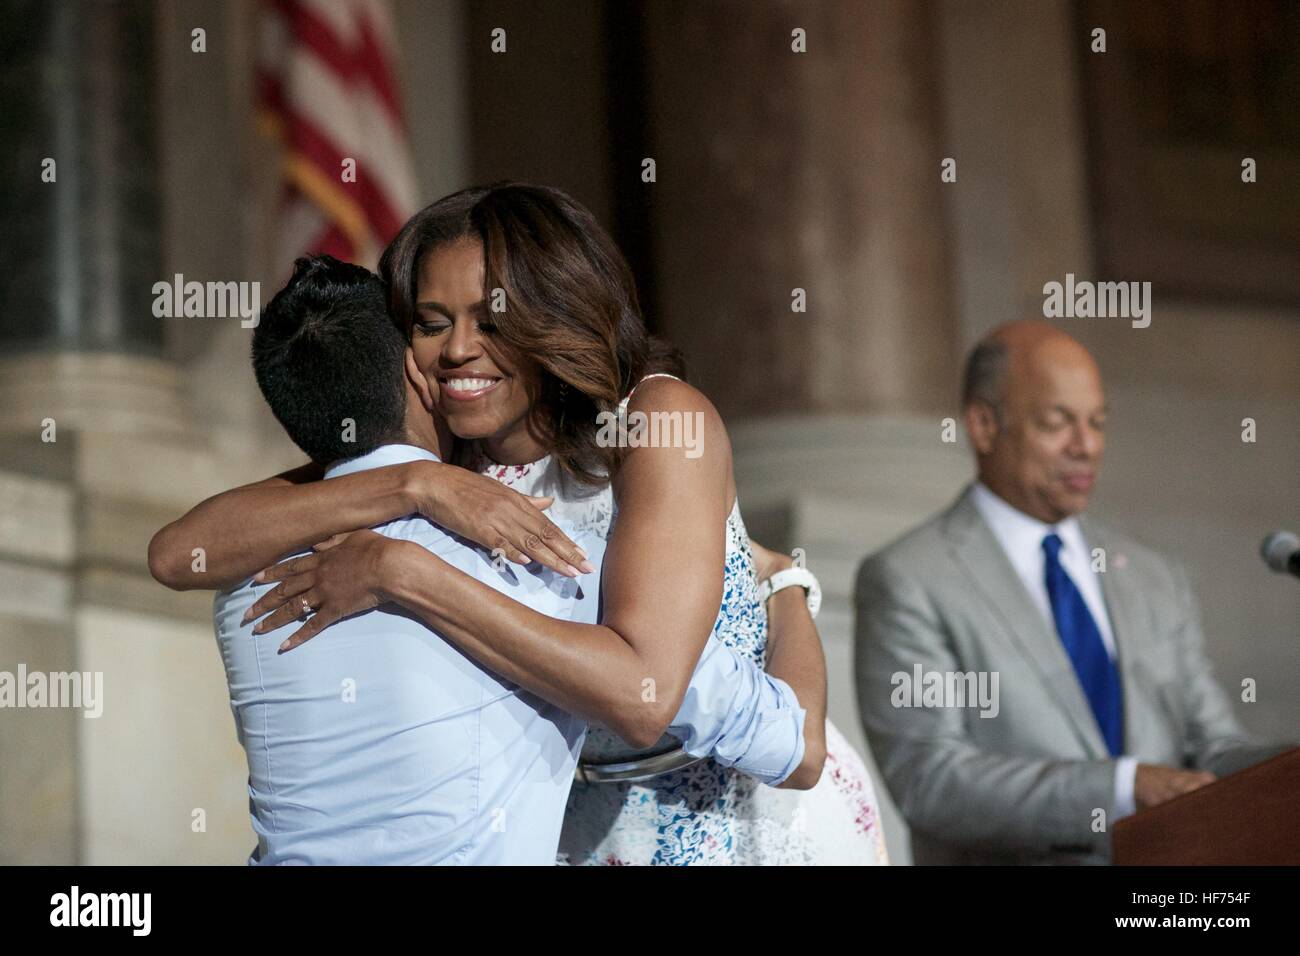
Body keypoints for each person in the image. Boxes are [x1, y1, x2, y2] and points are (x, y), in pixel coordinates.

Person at [153, 183, 888, 865]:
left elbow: (647, 696)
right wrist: (416, 483)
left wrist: (401, 572)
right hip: (573, 824)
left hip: (737, 816)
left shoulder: (655, 419)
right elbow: (180, 552)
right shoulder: (439, 461)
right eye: (432, 324)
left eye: (493, 321)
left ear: (555, 315)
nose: (458, 349)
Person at [854, 319, 1293, 864]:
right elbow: (931, 780)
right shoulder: (909, 578)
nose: (1086, 447)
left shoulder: (1154, 578)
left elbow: (1214, 750)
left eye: (1098, 422)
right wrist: (1123, 788)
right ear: (984, 425)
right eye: (1058, 421)